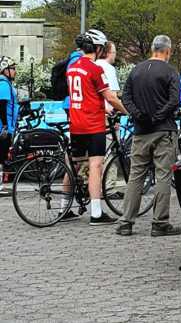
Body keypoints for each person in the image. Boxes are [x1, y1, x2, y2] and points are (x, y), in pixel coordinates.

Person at [114, 35, 181, 236]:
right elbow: (174, 100)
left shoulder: (136, 70)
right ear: (168, 51)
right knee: (163, 176)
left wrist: (138, 115)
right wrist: (159, 116)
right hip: (164, 131)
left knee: (136, 176)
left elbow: (125, 97)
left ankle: (126, 221)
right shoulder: (170, 72)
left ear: (152, 49)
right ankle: (159, 222)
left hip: (140, 131)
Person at [65, 29, 129, 225]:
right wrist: (126, 111)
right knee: (95, 166)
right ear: (99, 48)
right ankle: (96, 212)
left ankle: (63, 207)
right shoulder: (95, 69)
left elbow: (86, 95)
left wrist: (104, 109)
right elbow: (109, 96)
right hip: (93, 124)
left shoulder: (73, 67)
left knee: (73, 164)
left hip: (75, 122)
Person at [0, 56, 17, 196]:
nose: (15, 71)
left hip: (5, 126)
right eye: (12, 68)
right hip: (3, 128)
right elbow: (2, 106)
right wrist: (5, 126)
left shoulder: (5, 83)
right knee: (1, 156)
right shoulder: (4, 84)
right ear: (5, 70)